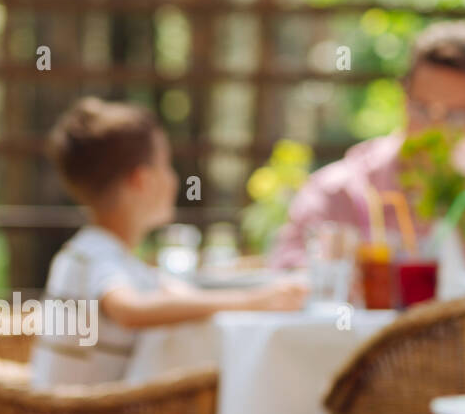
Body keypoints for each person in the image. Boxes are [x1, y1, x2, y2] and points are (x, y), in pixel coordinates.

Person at [31, 98, 307, 387]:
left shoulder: (88, 251)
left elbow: (165, 291)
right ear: (141, 180)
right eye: (166, 166)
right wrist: (252, 302)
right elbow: (129, 310)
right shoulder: (99, 253)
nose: (174, 179)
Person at [270, 20, 465, 273]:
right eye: (422, 109)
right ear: (403, 99)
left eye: (455, 116)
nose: (434, 128)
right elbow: (291, 274)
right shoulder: (340, 189)